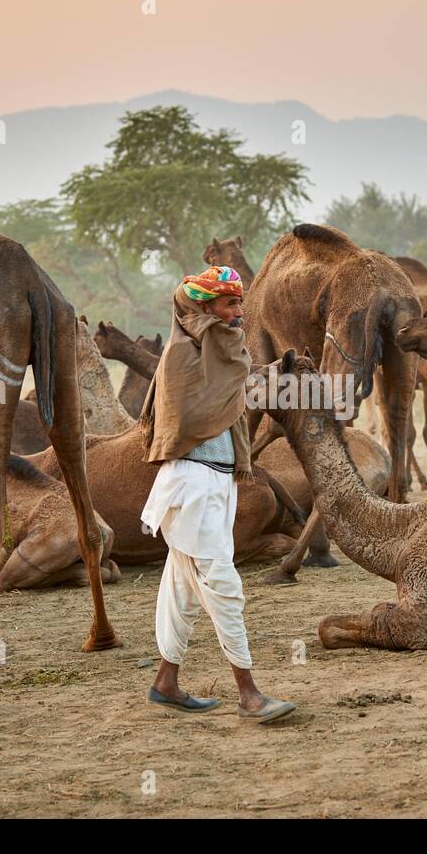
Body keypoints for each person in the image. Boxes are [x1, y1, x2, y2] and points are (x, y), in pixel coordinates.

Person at [138, 265, 296, 724]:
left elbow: (233, 381)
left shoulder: (220, 354)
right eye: (230, 304)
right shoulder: (183, 357)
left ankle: (166, 682)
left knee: (183, 590)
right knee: (223, 585)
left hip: (216, 483)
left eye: (240, 302)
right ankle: (248, 694)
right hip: (191, 483)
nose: (239, 313)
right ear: (204, 307)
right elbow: (183, 421)